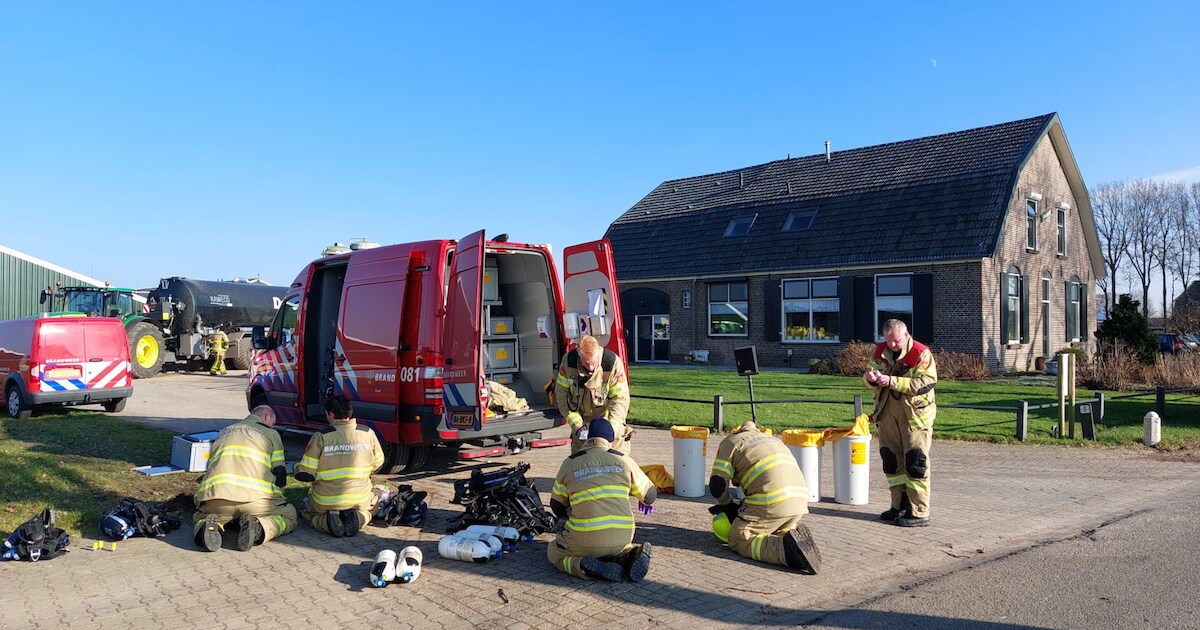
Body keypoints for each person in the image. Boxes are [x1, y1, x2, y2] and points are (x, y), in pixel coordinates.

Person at [547, 417, 655, 582]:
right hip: (623, 537)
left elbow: (557, 506)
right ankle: (629, 556)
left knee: (554, 552)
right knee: (620, 548)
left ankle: (583, 566)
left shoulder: (570, 463)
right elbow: (650, 495)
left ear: (588, 438)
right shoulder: (624, 460)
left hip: (584, 539)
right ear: (611, 439)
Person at [708, 422, 821, 574]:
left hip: (771, 504)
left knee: (737, 539)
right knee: (776, 529)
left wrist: (727, 505)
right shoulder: (771, 438)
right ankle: (788, 534)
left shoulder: (730, 442)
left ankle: (787, 552)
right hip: (799, 502)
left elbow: (717, 485)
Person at [864, 318, 938, 528]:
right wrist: (870, 378)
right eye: (888, 341)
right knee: (892, 462)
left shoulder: (920, 353)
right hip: (887, 414)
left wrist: (892, 381)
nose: (892, 345)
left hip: (914, 417)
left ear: (906, 335)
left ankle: (919, 512)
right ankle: (899, 506)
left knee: (916, 464)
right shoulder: (880, 351)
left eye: (896, 341)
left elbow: (926, 383)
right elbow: (867, 374)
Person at [193, 406, 296, 551]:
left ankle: (209, 527)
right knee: (289, 515)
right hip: (256, 502)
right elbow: (280, 473)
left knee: (201, 516)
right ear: (266, 416)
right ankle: (259, 528)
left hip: (217, 500)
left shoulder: (224, 431)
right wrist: (279, 497)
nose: (273, 426)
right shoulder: (271, 434)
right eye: (273, 422)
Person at [294, 395, 385, 537]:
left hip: (326, 500)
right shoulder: (367, 433)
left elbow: (306, 473)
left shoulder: (321, 436)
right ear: (350, 412)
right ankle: (360, 518)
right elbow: (378, 463)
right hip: (359, 498)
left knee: (309, 513)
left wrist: (295, 468)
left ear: (330, 414)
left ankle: (326, 523)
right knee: (371, 509)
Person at [554, 335, 630, 453]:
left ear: (598, 353)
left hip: (608, 427)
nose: (590, 367)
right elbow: (562, 396)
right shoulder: (569, 363)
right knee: (581, 464)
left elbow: (620, 400)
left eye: (593, 363)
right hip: (582, 430)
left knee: (617, 464)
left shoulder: (611, 363)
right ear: (579, 355)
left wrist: (611, 430)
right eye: (586, 363)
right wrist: (578, 426)